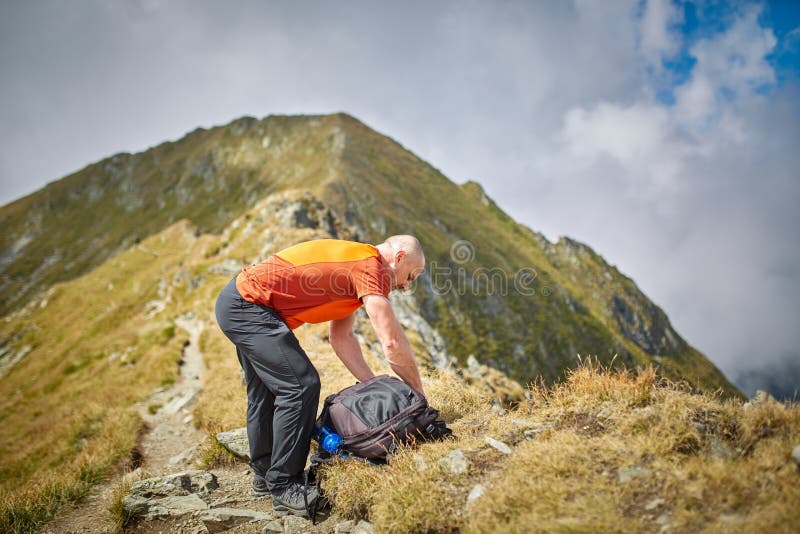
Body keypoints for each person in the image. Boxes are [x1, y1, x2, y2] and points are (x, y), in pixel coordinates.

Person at [214, 235, 426, 517]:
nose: (406, 286)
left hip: (241, 302)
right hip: (249, 306)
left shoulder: (357, 265)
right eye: (410, 276)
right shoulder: (369, 267)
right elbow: (392, 343)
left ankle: (265, 476)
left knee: (265, 393)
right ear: (398, 258)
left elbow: (341, 338)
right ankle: (284, 485)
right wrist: (417, 396)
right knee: (301, 386)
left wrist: (374, 385)